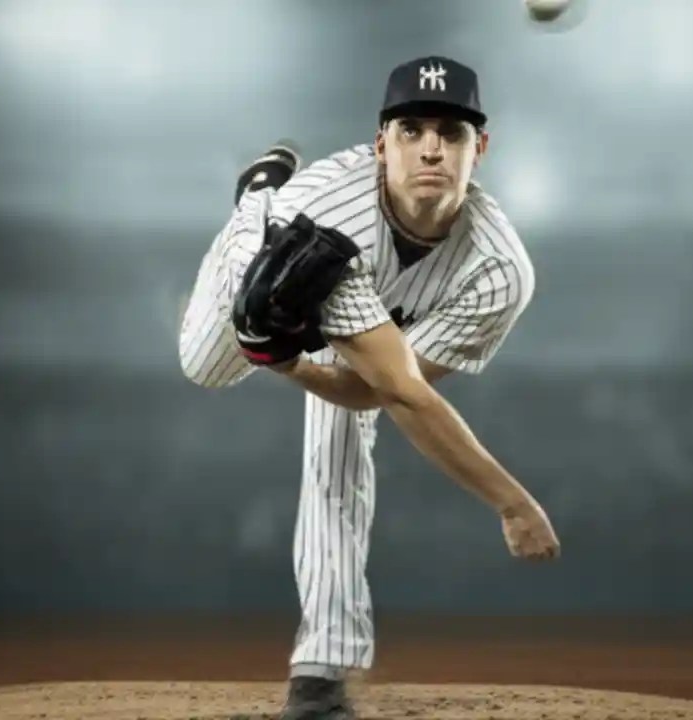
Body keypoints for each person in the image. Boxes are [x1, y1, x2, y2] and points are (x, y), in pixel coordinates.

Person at [177, 55, 560, 720]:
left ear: (481, 148)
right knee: (204, 365)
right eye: (411, 129)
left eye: (452, 131)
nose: (432, 148)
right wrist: (514, 503)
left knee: (342, 447)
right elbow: (404, 391)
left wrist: (291, 363)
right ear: (381, 143)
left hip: (367, 334)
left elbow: (383, 393)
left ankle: (320, 675)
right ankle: (253, 194)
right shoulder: (323, 211)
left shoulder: (499, 270)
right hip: (280, 244)